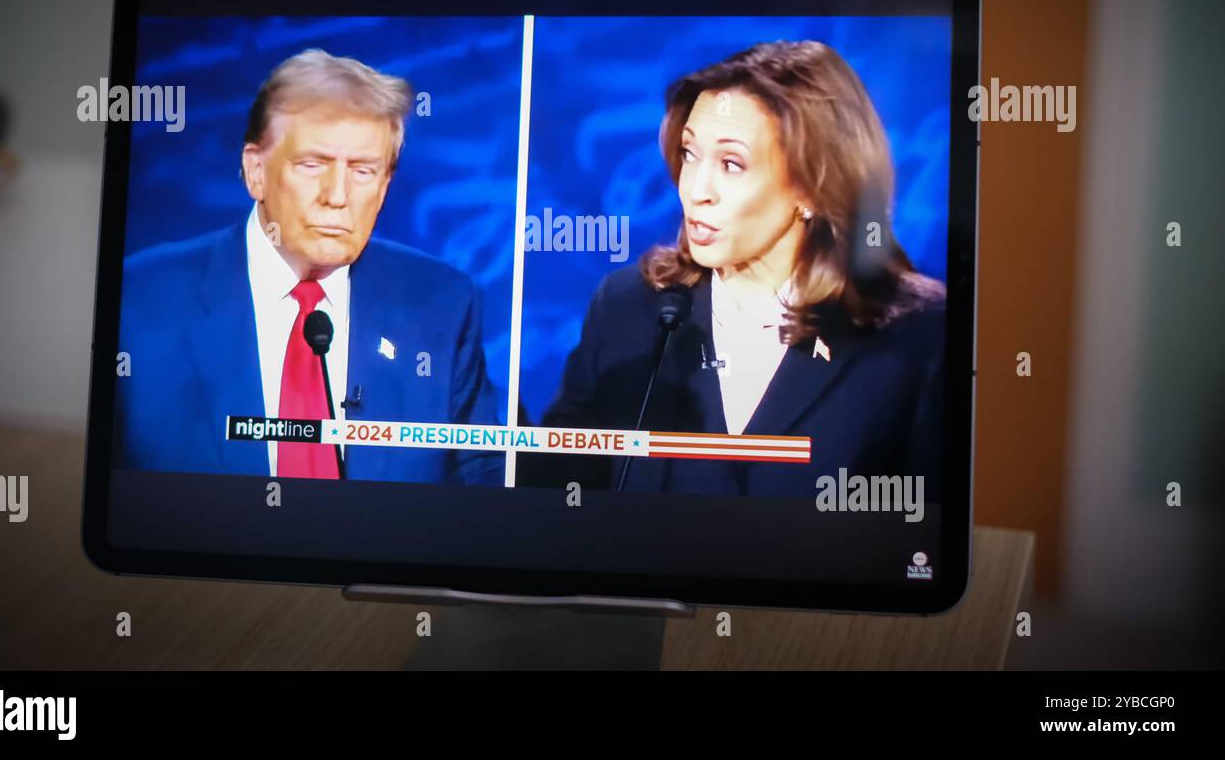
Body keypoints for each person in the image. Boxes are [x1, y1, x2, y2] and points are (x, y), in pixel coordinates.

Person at [527, 40, 945, 497]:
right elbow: (556, 490)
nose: (696, 189)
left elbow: (920, 530)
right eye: (689, 154)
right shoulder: (628, 307)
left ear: (812, 184)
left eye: (731, 163)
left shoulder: (917, 333)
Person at [115, 49, 503, 484]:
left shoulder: (442, 303)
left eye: (362, 170)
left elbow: (480, 478)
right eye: (313, 164)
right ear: (255, 171)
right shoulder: (141, 297)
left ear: (385, 185)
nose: (337, 195)